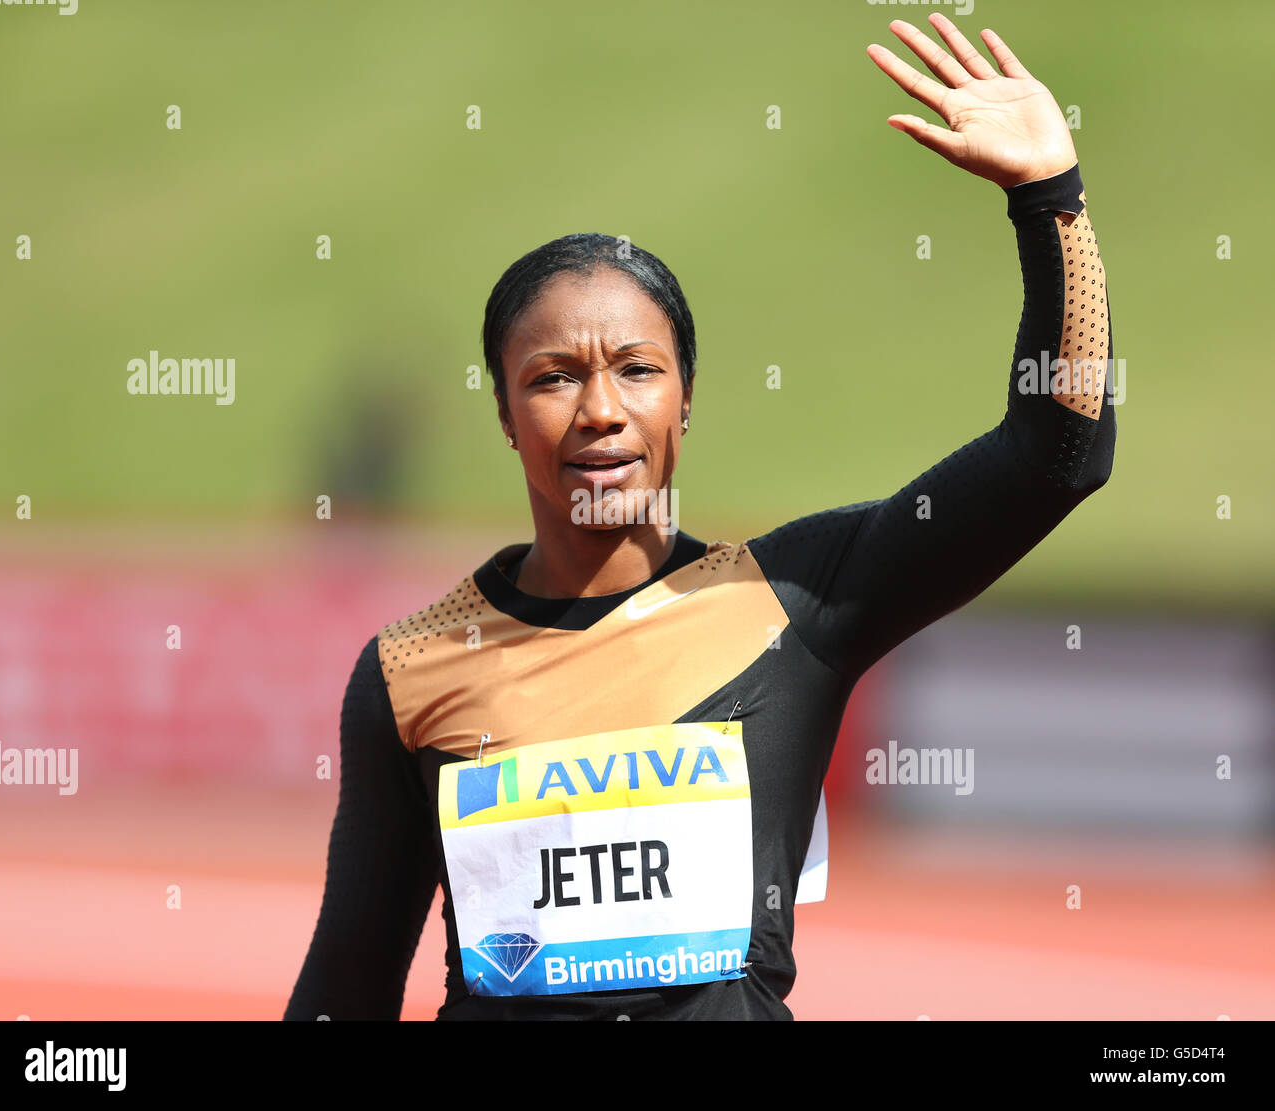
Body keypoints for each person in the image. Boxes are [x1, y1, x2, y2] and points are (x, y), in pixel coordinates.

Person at [284, 14, 1115, 1021]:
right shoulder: (412, 671)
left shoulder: (796, 601)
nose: (599, 409)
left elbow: (1055, 454)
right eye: (553, 378)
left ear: (686, 399)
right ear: (504, 413)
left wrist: (1050, 199)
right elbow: (346, 985)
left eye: (637, 370)